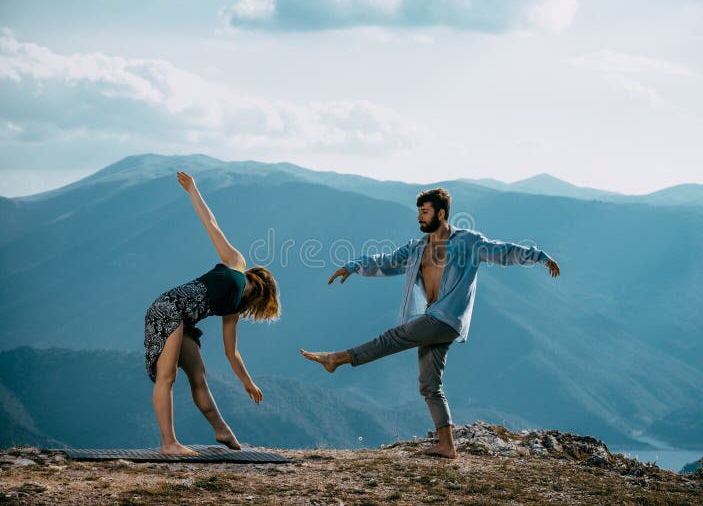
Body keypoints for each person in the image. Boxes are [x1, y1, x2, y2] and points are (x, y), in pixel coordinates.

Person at [301, 188, 560, 459]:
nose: (419, 218)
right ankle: (447, 446)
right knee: (429, 385)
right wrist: (354, 266)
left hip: (447, 319)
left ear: (441, 213)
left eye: (424, 212)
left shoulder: (467, 242)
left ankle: (337, 359)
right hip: (431, 316)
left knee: (392, 338)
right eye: (418, 212)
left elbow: (504, 252)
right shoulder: (417, 248)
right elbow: (386, 262)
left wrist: (540, 257)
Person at [144, 171, 280, 456]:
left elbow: (232, 353)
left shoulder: (234, 309)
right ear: (262, 289)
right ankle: (169, 444)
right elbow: (211, 224)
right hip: (169, 309)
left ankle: (223, 431)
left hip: (183, 320)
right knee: (166, 376)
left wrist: (247, 382)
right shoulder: (236, 263)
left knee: (199, 375)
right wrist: (193, 189)